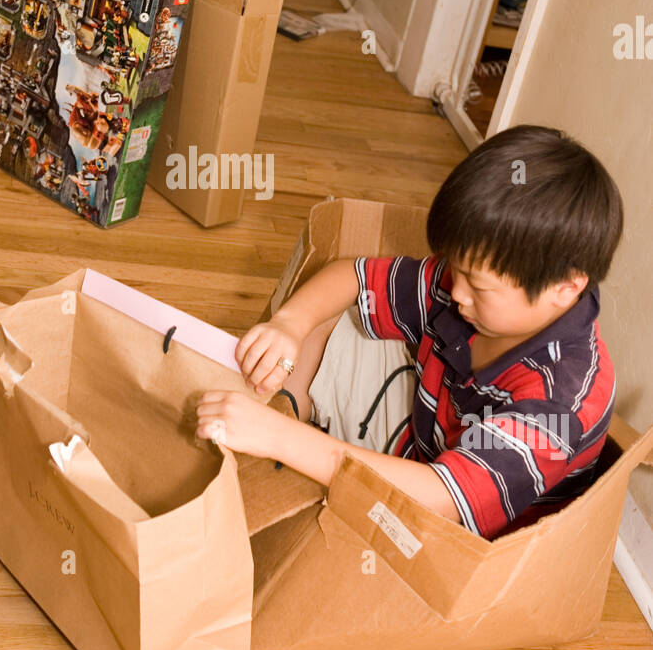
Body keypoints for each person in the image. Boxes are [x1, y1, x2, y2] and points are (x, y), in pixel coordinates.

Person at [196, 126, 624, 541]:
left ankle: (283, 435)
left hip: (446, 524)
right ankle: (287, 414)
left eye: (477, 285)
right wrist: (288, 326)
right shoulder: (472, 287)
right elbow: (355, 278)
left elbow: (443, 499)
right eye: (455, 267)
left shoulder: (560, 404)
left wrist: (277, 437)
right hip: (422, 438)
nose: (456, 290)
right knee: (331, 312)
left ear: (564, 288)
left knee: (313, 427)